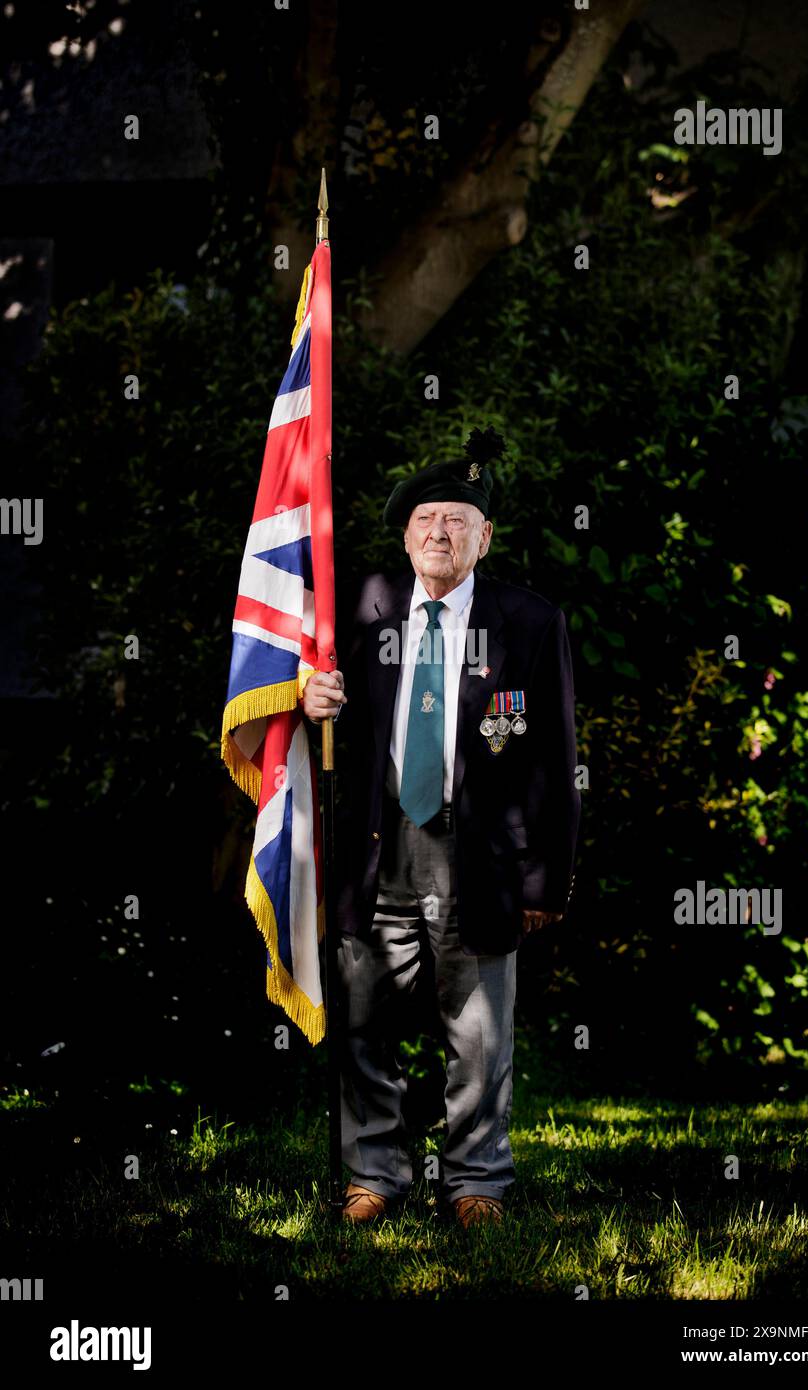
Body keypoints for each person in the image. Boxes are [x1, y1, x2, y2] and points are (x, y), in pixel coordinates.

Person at [301, 436, 581, 1229]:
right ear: (403, 536)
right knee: (363, 1017)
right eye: (426, 518)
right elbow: (315, 706)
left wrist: (543, 879)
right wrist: (311, 696)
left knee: (480, 1029)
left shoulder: (527, 622)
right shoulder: (359, 609)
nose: (439, 532)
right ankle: (375, 1177)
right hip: (378, 845)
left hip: (480, 851)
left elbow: (553, 760)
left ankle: (476, 1184)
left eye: (458, 520)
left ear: (484, 537)